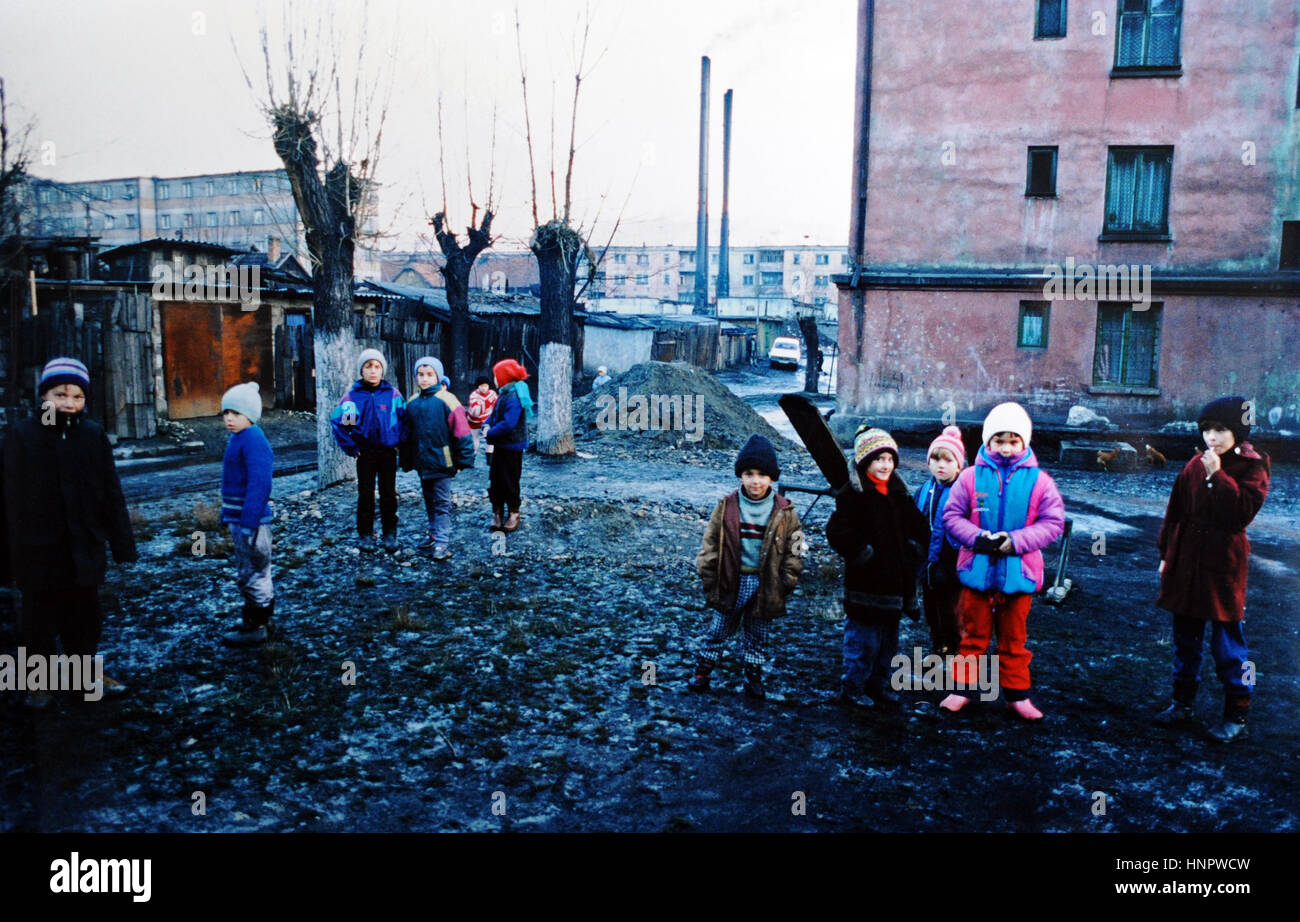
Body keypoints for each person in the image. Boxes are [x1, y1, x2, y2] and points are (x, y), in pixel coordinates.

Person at [1, 357, 137, 706]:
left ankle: (83, 675)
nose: (69, 403)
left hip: (84, 548)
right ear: (43, 395)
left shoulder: (92, 437)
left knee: (84, 619)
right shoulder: (21, 437)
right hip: (37, 551)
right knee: (38, 620)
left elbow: (111, 493)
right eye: (60, 394)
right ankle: (38, 680)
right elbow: (6, 498)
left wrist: (122, 543)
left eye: (77, 396)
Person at [1154, 395, 1270, 743]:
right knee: (1185, 640)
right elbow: (1175, 511)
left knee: (1227, 645)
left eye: (1220, 430)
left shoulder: (1253, 467)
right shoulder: (1193, 464)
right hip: (1186, 562)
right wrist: (1165, 553)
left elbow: (1241, 513)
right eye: (1207, 430)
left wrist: (1218, 477)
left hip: (1223, 567)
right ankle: (1182, 703)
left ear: (1237, 431)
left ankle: (1237, 712)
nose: (1212, 438)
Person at [941, 403, 1065, 720]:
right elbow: (952, 516)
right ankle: (963, 688)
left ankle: (1017, 695)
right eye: (999, 440)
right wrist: (977, 538)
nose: (1006, 448)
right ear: (987, 442)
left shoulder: (1040, 482)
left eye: (1013, 440)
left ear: (1024, 443)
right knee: (972, 635)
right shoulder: (969, 478)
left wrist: (1017, 542)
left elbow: (1053, 524)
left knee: (1014, 639)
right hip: (977, 572)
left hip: (1019, 574)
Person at [691, 434, 805, 700]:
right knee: (719, 628)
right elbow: (709, 544)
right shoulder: (726, 506)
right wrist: (709, 577)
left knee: (758, 633)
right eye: (749, 473)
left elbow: (797, 548)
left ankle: (753, 675)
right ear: (740, 475)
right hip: (732, 579)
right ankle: (703, 670)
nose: (756, 480)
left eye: (763, 474)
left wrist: (787, 579)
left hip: (766, 584)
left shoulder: (786, 511)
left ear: (772, 477)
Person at [827, 426, 929, 708]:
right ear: (864, 462)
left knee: (888, 644)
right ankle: (853, 686)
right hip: (865, 584)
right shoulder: (852, 496)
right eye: (878, 459)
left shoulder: (900, 495)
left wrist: (914, 550)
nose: (885, 465)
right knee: (862, 641)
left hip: (896, 585)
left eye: (889, 459)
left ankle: (878, 684)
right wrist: (863, 553)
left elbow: (921, 529)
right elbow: (837, 531)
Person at [329, 348, 407, 553]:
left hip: (388, 453)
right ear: (361, 371)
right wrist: (351, 446)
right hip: (365, 454)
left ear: (383, 371)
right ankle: (365, 534)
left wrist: (400, 442)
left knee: (388, 494)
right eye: (368, 366)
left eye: (377, 367)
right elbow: (343, 425)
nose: (373, 371)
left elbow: (404, 419)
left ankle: (390, 533)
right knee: (365, 494)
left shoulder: (393, 395)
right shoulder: (353, 397)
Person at [219, 382, 277, 647]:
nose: (229, 418)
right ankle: (257, 618)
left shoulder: (253, 440)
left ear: (250, 415)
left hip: (250, 522)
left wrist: (248, 523)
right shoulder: (238, 438)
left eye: (236, 413)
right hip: (240, 518)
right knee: (251, 568)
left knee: (252, 570)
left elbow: (260, 484)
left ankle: (258, 624)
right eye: (226, 413)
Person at [401, 357, 474, 561]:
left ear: (438, 376)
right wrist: (407, 460)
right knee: (428, 500)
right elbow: (407, 435)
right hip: (423, 463)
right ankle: (433, 534)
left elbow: (462, 432)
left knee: (442, 502)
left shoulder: (447, 400)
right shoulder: (412, 402)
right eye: (421, 375)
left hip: (443, 462)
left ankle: (442, 542)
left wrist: (464, 460)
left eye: (429, 374)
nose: (424, 379)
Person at [914, 425, 966, 657]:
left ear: (959, 464)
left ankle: (954, 646)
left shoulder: (964, 492)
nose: (941, 465)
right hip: (927, 563)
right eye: (935, 459)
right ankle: (937, 642)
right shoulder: (924, 490)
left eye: (948, 460)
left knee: (951, 610)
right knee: (931, 607)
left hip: (952, 563)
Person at [484, 359, 529, 533]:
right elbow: (494, 416)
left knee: (510, 480)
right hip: (501, 446)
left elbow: (509, 423)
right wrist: (486, 424)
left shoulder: (514, 396)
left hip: (512, 446)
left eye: (496, 376)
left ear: (504, 377)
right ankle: (496, 510)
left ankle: (513, 512)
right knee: (495, 479)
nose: (494, 379)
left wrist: (490, 433)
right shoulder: (503, 394)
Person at [466, 375, 498, 462]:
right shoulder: (474, 395)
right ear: (478, 386)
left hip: (487, 419)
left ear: (488, 386)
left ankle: (490, 458)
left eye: (485, 386)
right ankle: (473, 455)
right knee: (474, 437)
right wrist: (477, 408)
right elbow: (474, 411)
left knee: (490, 437)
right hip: (474, 419)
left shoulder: (492, 394)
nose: (484, 388)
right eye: (481, 386)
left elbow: (496, 406)